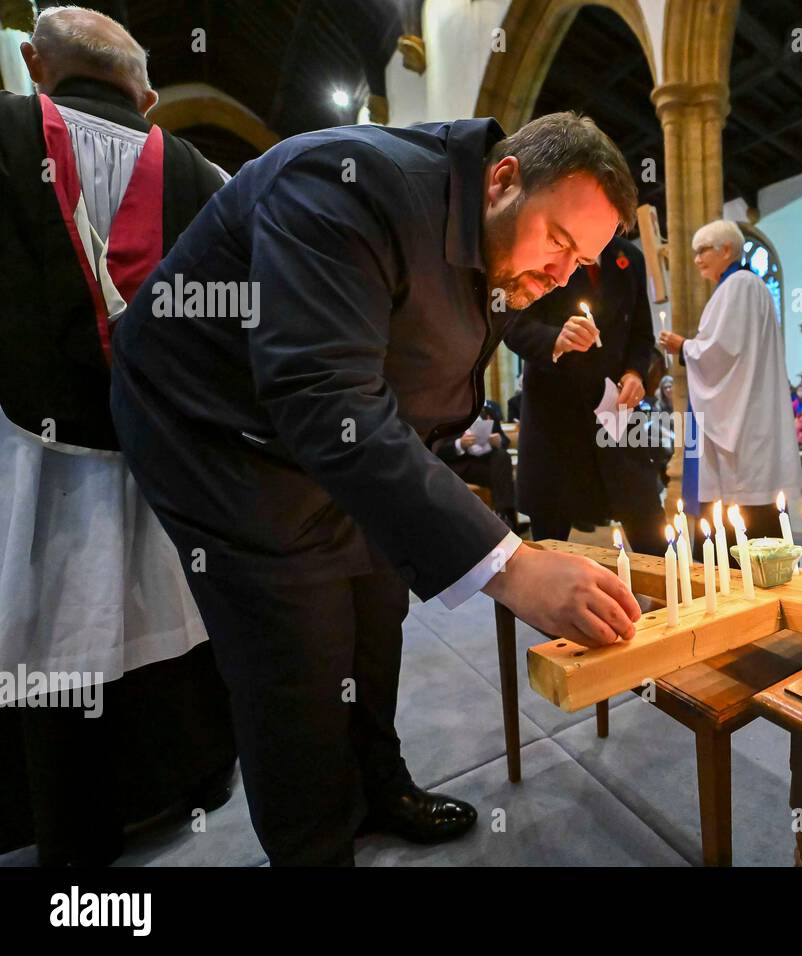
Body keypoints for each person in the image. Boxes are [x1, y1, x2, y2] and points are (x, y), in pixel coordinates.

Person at [109, 110, 644, 866]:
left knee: (374, 605)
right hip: (222, 434)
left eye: (579, 260)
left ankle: (378, 787)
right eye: (559, 240)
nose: (562, 275)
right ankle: (316, 845)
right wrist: (512, 566)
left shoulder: (493, 238)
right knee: (297, 650)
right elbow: (321, 395)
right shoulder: (346, 185)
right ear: (503, 178)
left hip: (354, 431)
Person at [0, 6, 236, 866]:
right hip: (156, 460)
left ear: (36, 64)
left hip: (24, 459)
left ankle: (69, 842)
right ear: (147, 94)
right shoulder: (199, 170)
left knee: (48, 641)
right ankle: (184, 785)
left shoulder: (4, 130)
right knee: (161, 623)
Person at [504, 234, 662, 554]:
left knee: (649, 528)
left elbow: (642, 335)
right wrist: (556, 338)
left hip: (615, 415)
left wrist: (634, 373)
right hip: (557, 418)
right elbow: (513, 326)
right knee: (551, 541)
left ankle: (675, 600)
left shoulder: (629, 256)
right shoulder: (544, 249)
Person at [658, 219, 802, 539]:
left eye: (702, 251)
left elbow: (722, 352)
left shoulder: (739, 285)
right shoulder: (748, 286)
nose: (696, 259)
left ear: (726, 250)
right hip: (750, 409)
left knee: (739, 510)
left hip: (743, 419)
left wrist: (683, 346)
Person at [435, 399, 517, 532]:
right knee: (503, 477)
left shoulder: (486, 411)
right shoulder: (444, 415)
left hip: (485, 463)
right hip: (459, 465)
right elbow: (435, 450)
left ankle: (502, 515)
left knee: (502, 457)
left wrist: (499, 440)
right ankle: (506, 518)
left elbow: (504, 439)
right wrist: (459, 444)